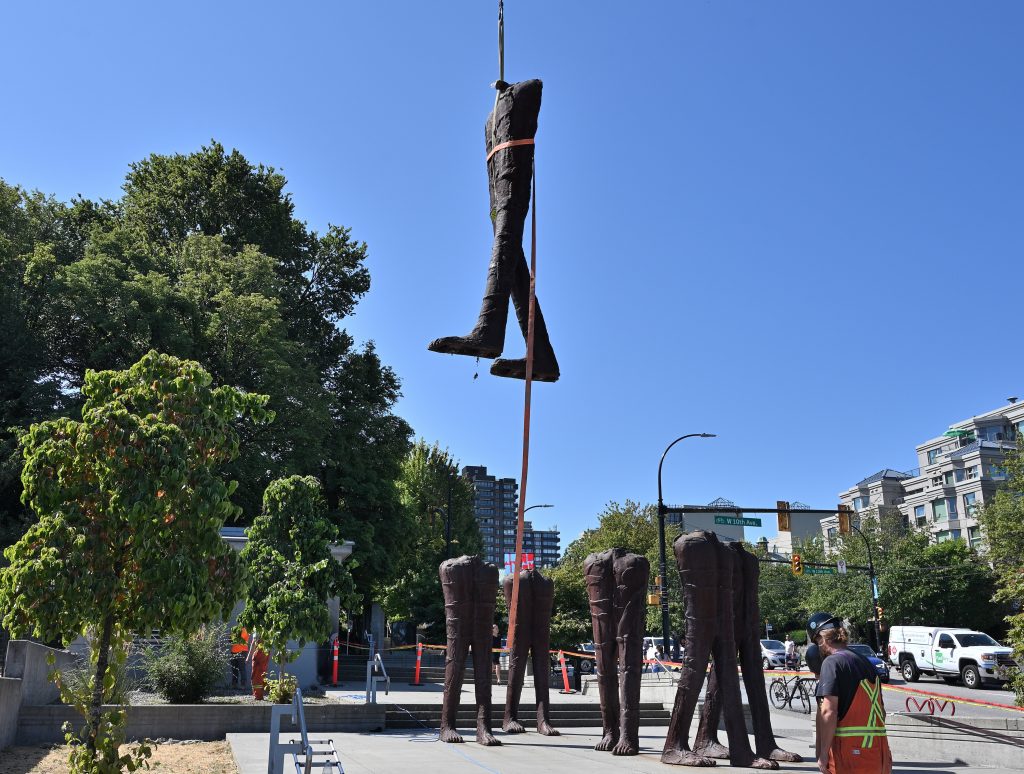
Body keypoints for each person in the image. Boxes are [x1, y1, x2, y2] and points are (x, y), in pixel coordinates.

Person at [808, 613, 892, 774]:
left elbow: (828, 711)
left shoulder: (832, 663)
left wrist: (823, 753)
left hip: (850, 754)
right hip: (878, 752)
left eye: (817, 641)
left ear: (822, 638)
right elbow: (881, 711)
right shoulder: (865, 661)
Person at [246, 629, 270, 701]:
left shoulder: (257, 629)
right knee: (262, 674)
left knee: (256, 676)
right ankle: (260, 694)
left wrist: (248, 657)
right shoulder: (268, 629)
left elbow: (253, 643)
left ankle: (258, 695)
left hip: (259, 654)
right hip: (265, 653)